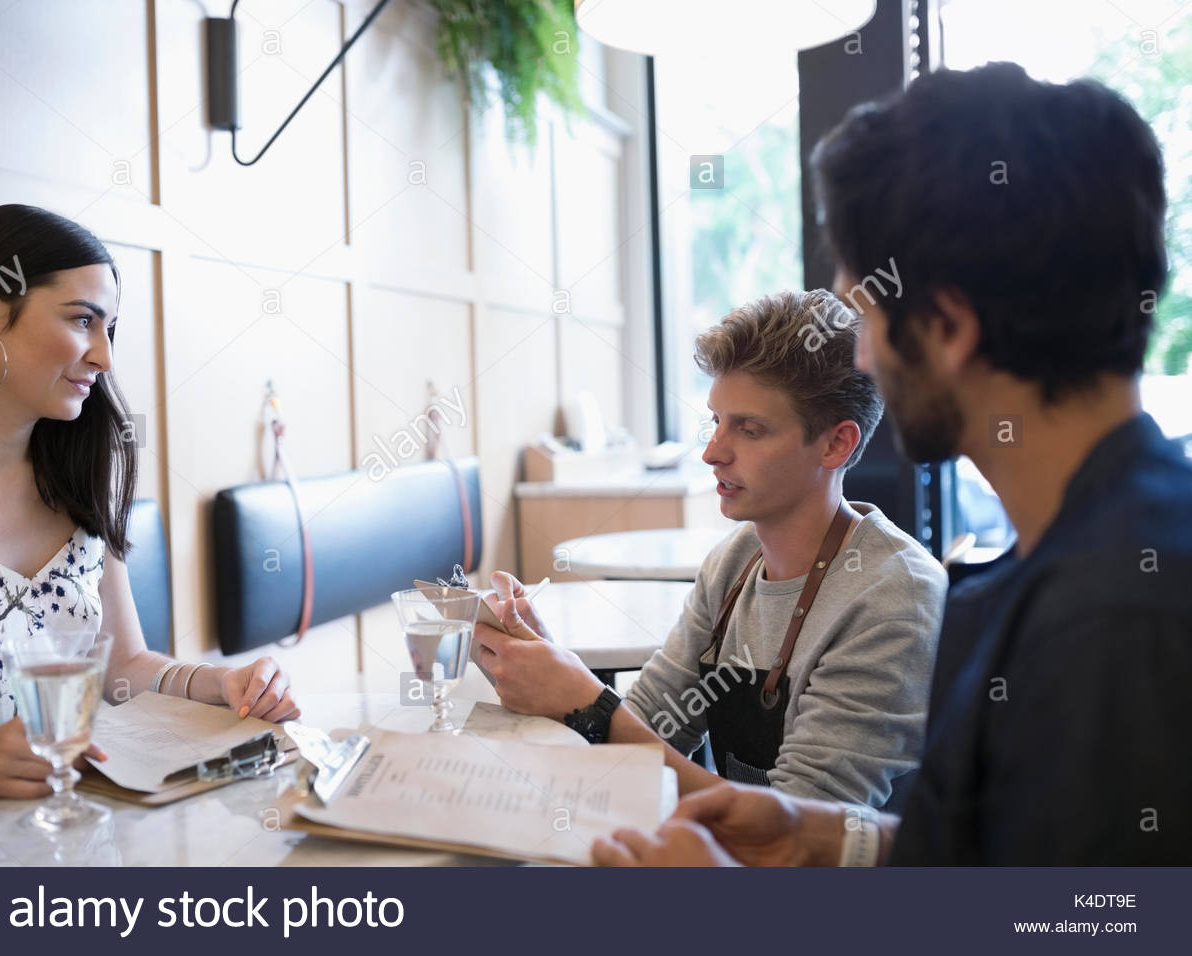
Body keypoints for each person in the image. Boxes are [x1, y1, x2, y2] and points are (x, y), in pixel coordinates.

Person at [593, 62, 1192, 866]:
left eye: (866, 318)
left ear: (946, 328)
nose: (864, 359)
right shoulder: (1063, 562)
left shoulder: (1115, 621)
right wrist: (825, 837)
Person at [0, 205, 301, 821]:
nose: (104, 357)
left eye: (110, 329)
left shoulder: (76, 477)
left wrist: (223, 684)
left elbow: (122, 667)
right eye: (83, 320)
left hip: (75, 831)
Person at [475, 289, 947, 807]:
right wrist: (551, 669)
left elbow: (802, 828)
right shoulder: (734, 562)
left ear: (836, 445)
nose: (712, 452)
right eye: (716, 421)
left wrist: (584, 702)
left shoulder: (895, 597)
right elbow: (651, 729)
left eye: (750, 429)